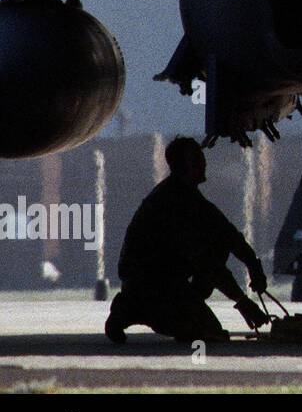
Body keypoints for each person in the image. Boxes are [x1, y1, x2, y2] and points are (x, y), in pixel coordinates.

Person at [104, 137, 269, 344]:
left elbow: (228, 234)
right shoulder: (175, 204)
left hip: (157, 282)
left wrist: (253, 265)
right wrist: (242, 301)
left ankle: (132, 308)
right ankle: (136, 309)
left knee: (218, 243)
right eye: (198, 159)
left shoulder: (185, 196)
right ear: (185, 165)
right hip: (157, 285)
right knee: (208, 334)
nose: (204, 163)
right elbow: (206, 261)